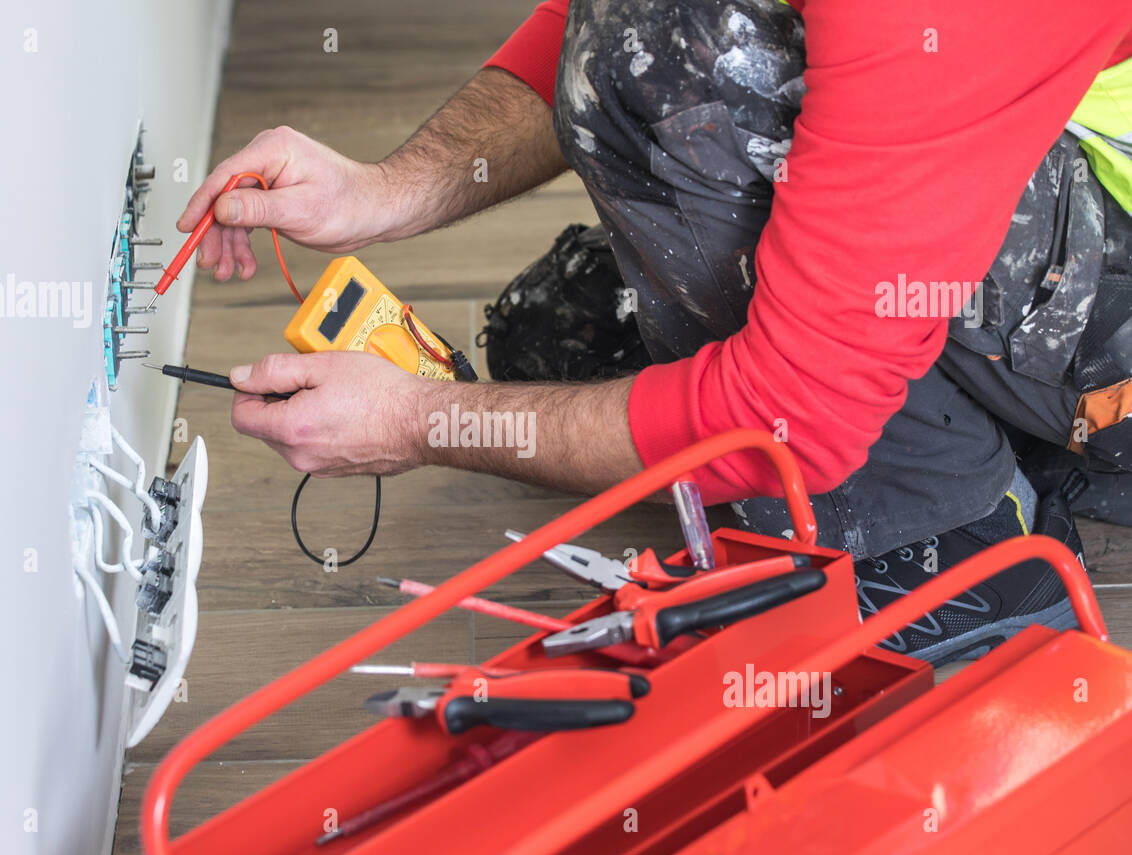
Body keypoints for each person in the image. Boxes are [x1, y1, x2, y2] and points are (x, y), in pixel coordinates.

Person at [177, 1, 1132, 666]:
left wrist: (425, 422)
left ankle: (956, 558)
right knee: (562, 337)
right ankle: (975, 414)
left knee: (682, 58)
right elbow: (589, 32)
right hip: (1004, 144)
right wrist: (381, 192)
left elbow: (786, 417)